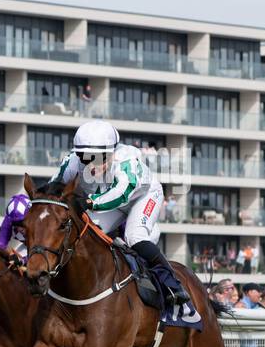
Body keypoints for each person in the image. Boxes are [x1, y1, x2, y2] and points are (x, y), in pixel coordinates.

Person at [48, 119, 188, 306]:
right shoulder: (72, 162)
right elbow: (52, 187)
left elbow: (121, 194)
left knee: (134, 237)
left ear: (112, 152)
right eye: (85, 157)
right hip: (109, 203)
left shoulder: (126, 160)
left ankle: (172, 284)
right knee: (87, 232)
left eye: (97, 158)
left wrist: (90, 201)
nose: (91, 164)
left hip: (142, 198)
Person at [0, 193, 32, 260]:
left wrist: (24, 260)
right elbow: (0, 245)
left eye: (21, 223)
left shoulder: (39, 221)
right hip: (27, 246)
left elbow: (44, 247)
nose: (19, 229)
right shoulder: (8, 220)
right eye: (15, 224)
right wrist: (9, 255)